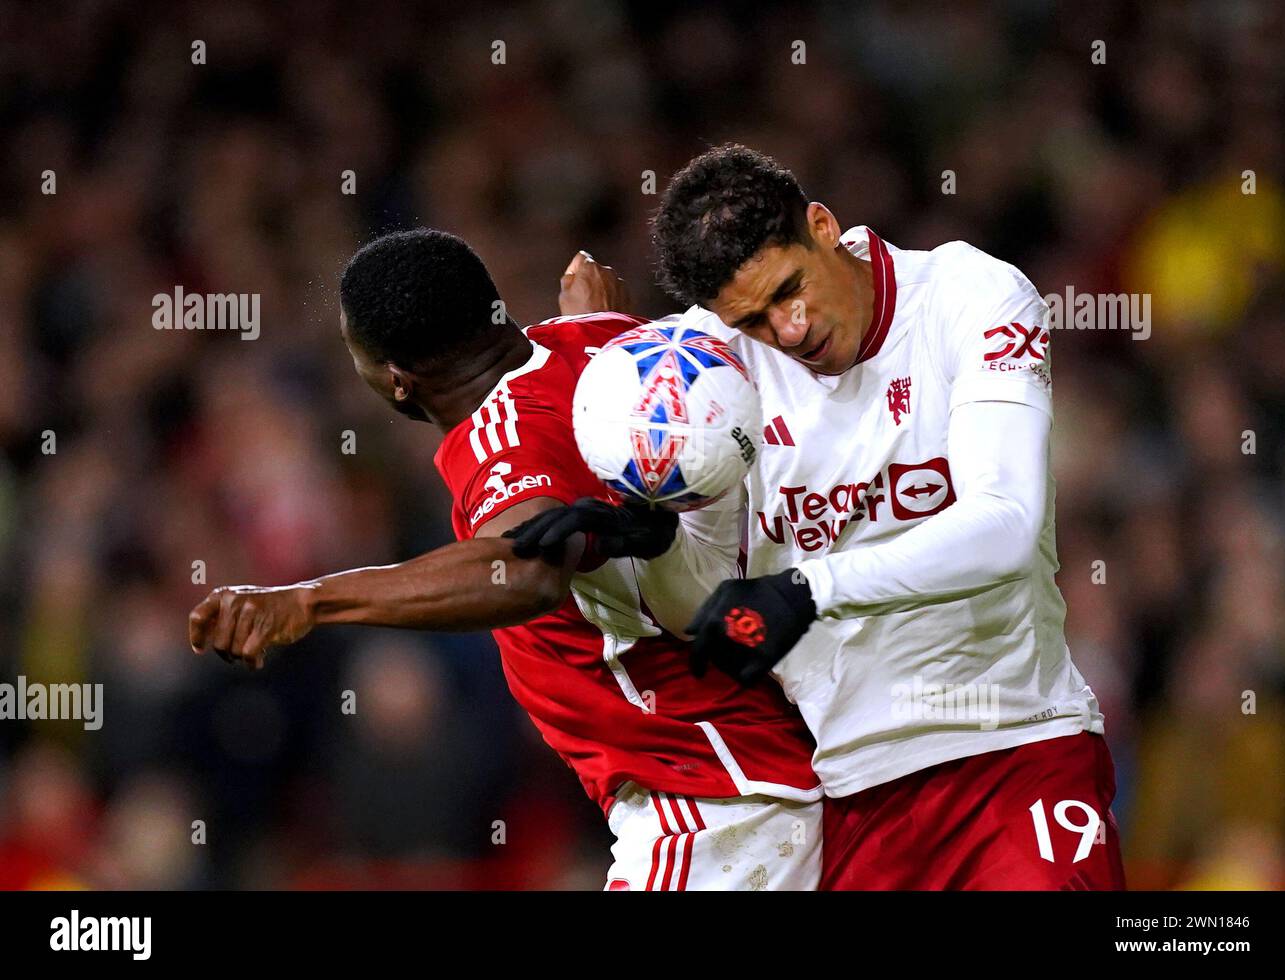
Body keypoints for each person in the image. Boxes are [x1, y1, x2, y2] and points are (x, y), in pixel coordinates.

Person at [512, 145, 1126, 890]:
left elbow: (1004, 523)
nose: (791, 330)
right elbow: (710, 612)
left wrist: (807, 588)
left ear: (824, 224)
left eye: (790, 290)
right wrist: (654, 546)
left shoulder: (971, 293)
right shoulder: (714, 373)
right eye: (758, 319)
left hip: (1016, 751)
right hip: (854, 791)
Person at [187, 228, 822, 890]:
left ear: (398, 381)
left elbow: (522, 570)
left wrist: (309, 599)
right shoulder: (601, 348)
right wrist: (599, 320)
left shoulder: (501, 438)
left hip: (708, 805)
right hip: (752, 781)